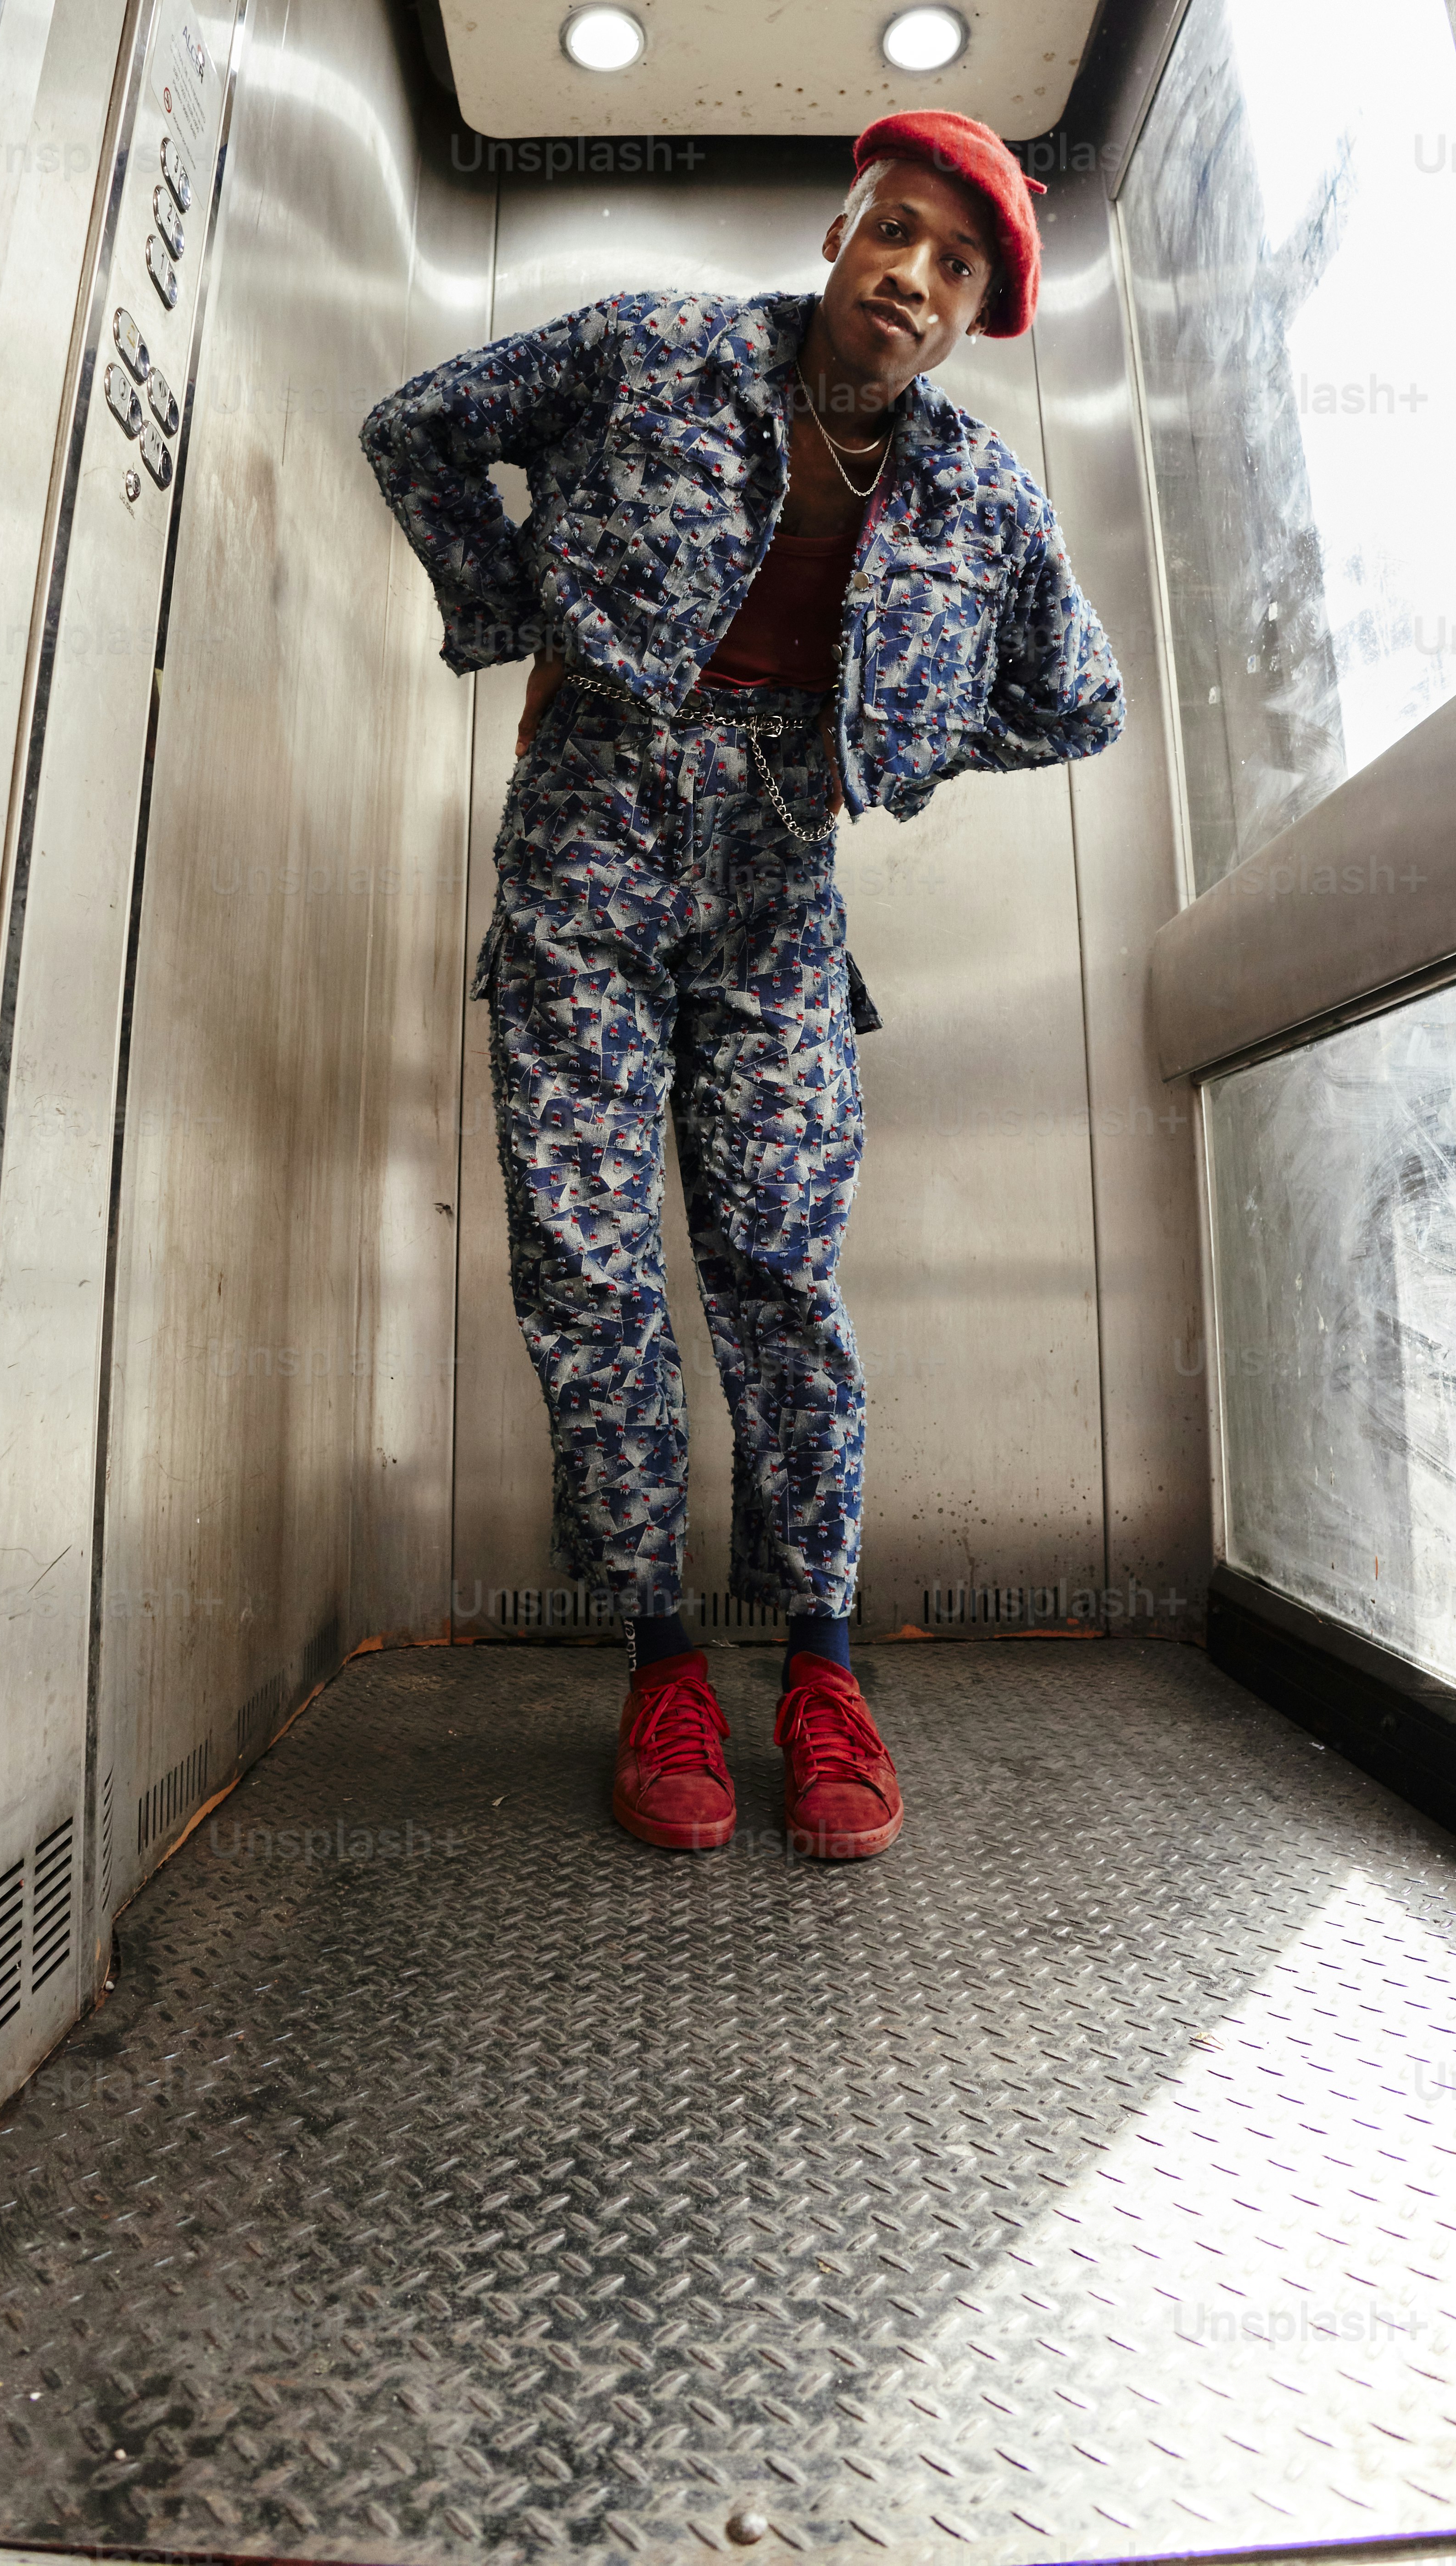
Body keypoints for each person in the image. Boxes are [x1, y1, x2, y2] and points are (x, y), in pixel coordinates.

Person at [361, 111, 1123, 1862]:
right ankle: (660, 1665)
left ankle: (825, 1669)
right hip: (585, 853)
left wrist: (894, 743)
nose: (911, 279)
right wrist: (518, 617)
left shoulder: (978, 495)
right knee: (586, 1255)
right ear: (844, 223)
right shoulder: (653, 352)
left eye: (955, 266)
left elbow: (1080, 699)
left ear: (978, 309)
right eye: (898, 233)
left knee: (777, 1271)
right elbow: (419, 433)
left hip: (780, 879)